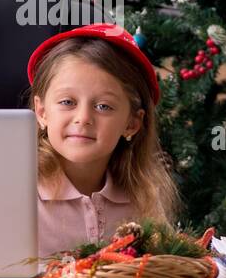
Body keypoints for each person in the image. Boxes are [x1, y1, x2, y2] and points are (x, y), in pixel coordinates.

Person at [25, 23, 180, 257]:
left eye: (103, 106)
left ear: (132, 124)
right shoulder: (18, 191)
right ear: (42, 112)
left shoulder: (142, 198)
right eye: (67, 102)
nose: (83, 118)